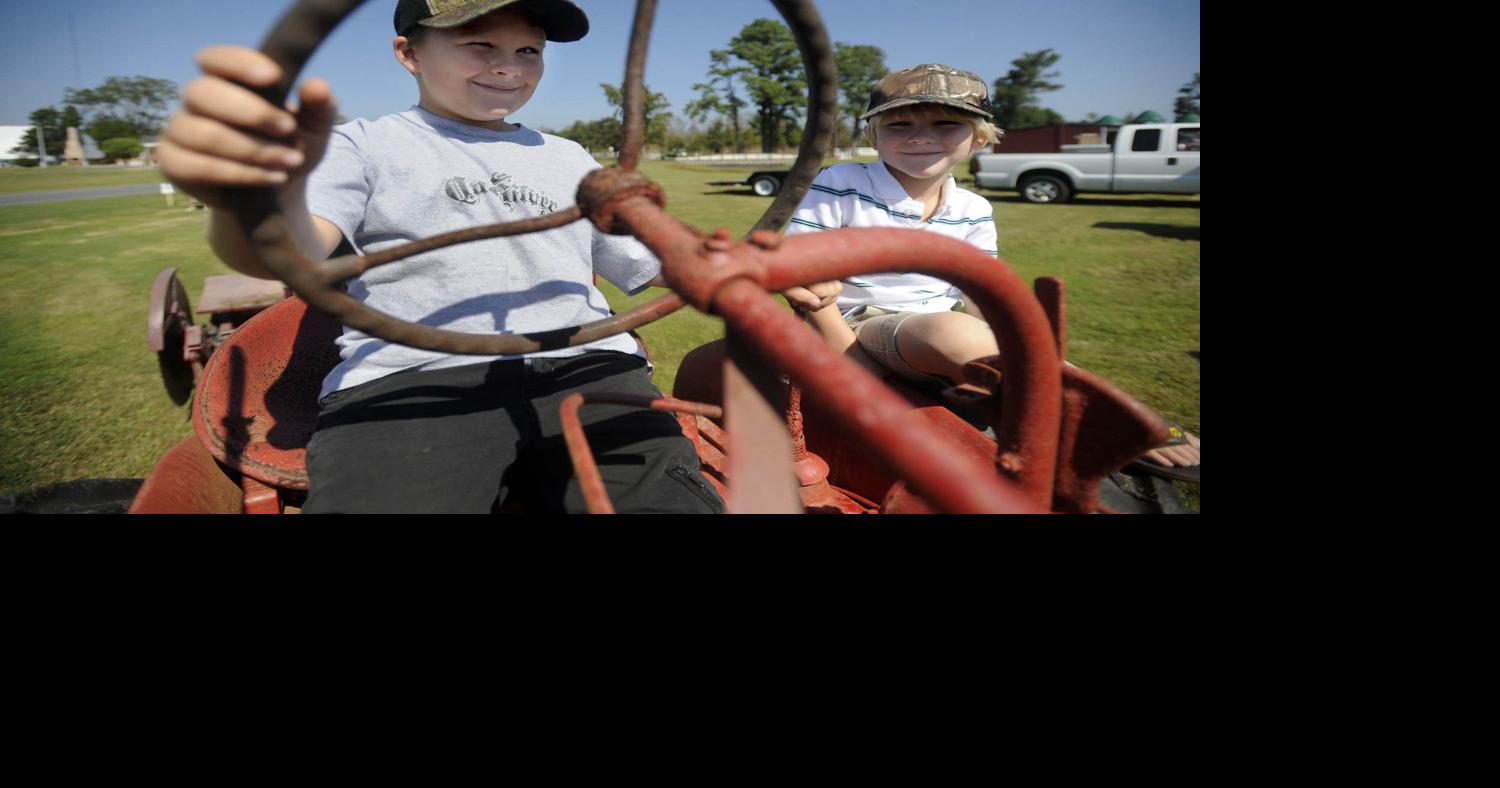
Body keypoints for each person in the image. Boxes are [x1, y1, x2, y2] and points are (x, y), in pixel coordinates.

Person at [158, 0, 724, 513]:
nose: (509, 66)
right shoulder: (363, 147)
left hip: (588, 364)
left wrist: (732, 273)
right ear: (409, 53)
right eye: (480, 44)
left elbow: (649, 261)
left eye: (528, 50)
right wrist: (243, 204)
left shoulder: (567, 155)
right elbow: (291, 251)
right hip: (416, 377)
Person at [780, 64, 1199, 481]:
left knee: (1033, 345)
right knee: (954, 333)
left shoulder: (972, 209)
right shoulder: (844, 182)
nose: (921, 136)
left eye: (946, 124)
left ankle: (1114, 411)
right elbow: (805, 276)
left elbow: (980, 292)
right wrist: (851, 359)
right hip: (857, 323)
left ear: (978, 136)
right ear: (874, 134)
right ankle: (1093, 426)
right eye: (899, 124)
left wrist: (1030, 343)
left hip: (927, 325)